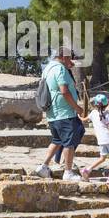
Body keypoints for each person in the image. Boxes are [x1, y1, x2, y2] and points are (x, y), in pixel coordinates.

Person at [35, 46, 85, 180]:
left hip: (53, 114)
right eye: (70, 58)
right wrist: (77, 108)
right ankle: (68, 172)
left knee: (57, 140)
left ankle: (43, 166)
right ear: (64, 57)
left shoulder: (48, 68)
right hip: (65, 113)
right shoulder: (60, 69)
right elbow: (64, 91)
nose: (72, 61)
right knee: (69, 142)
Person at [79, 94, 109, 182]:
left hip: (100, 140)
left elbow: (83, 119)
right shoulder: (106, 114)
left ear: (96, 104)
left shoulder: (93, 113)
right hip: (108, 139)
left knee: (102, 158)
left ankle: (87, 169)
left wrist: (78, 116)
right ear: (106, 104)